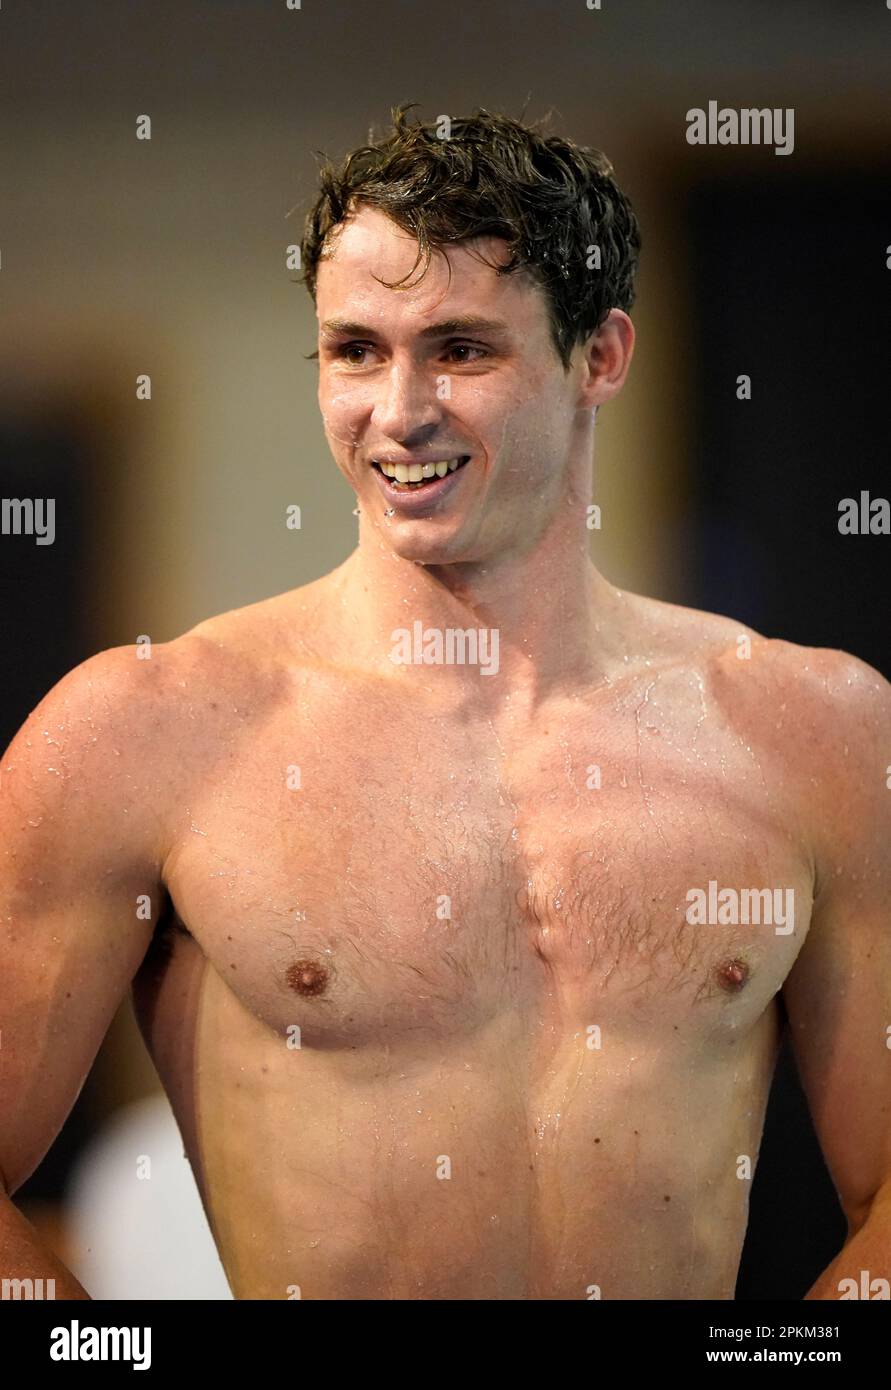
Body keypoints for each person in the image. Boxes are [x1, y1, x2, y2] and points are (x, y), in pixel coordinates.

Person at [1, 104, 889, 1301]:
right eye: (355, 350)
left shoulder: (817, 732)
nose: (399, 410)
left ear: (601, 355)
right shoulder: (145, 732)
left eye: (462, 348)